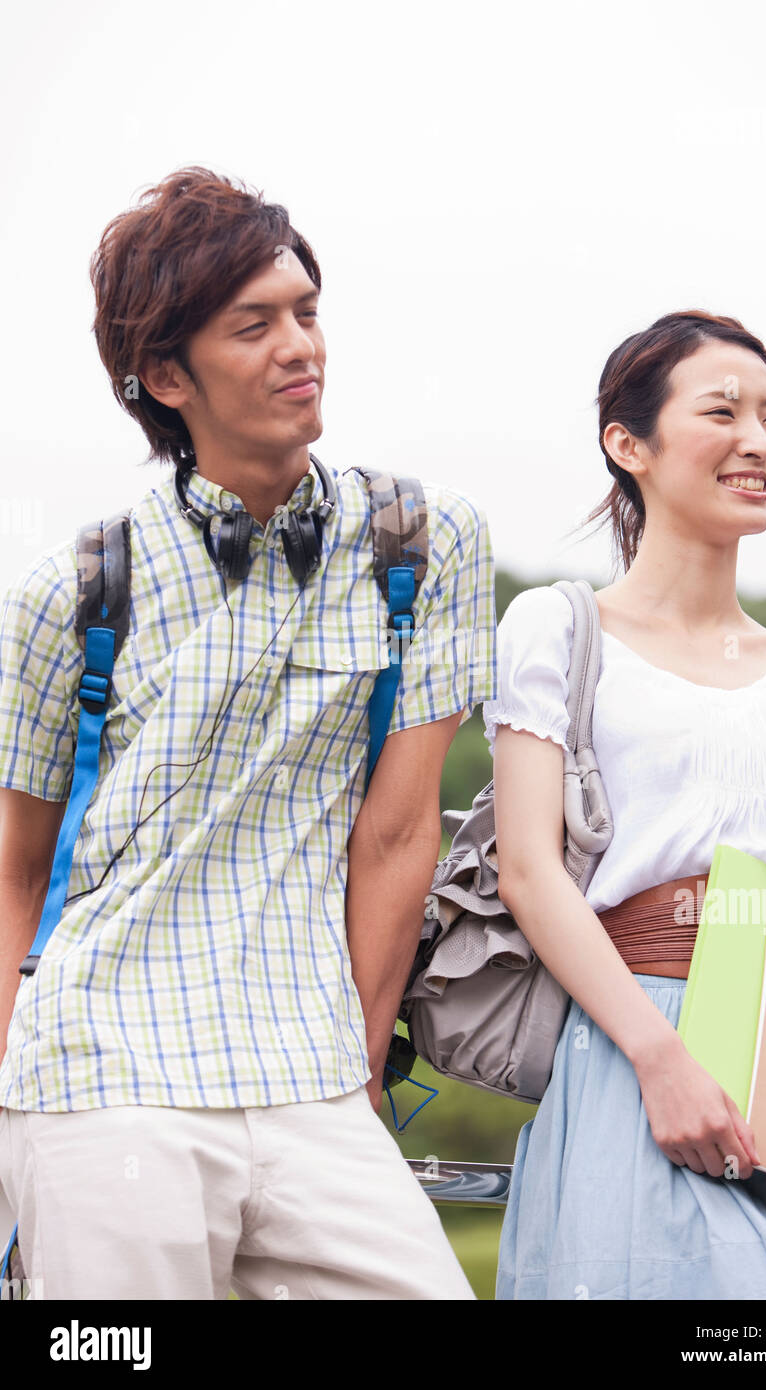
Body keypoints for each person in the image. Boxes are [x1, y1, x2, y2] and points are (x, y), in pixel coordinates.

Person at [0, 166, 496, 1300]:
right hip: (101, 1076)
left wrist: (361, 1062)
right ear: (166, 374)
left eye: (306, 313)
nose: (298, 347)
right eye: (253, 325)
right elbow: (14, 869)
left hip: (311, 1070)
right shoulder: (69, 591)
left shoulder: (419, 546)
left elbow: (397, 830)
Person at [484, 310, 766, 1300]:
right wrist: (658, 1059)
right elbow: (526, 868)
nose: (757, 441)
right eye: (722, 411)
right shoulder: (557, 630)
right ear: (627, 444)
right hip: (630, 1036)